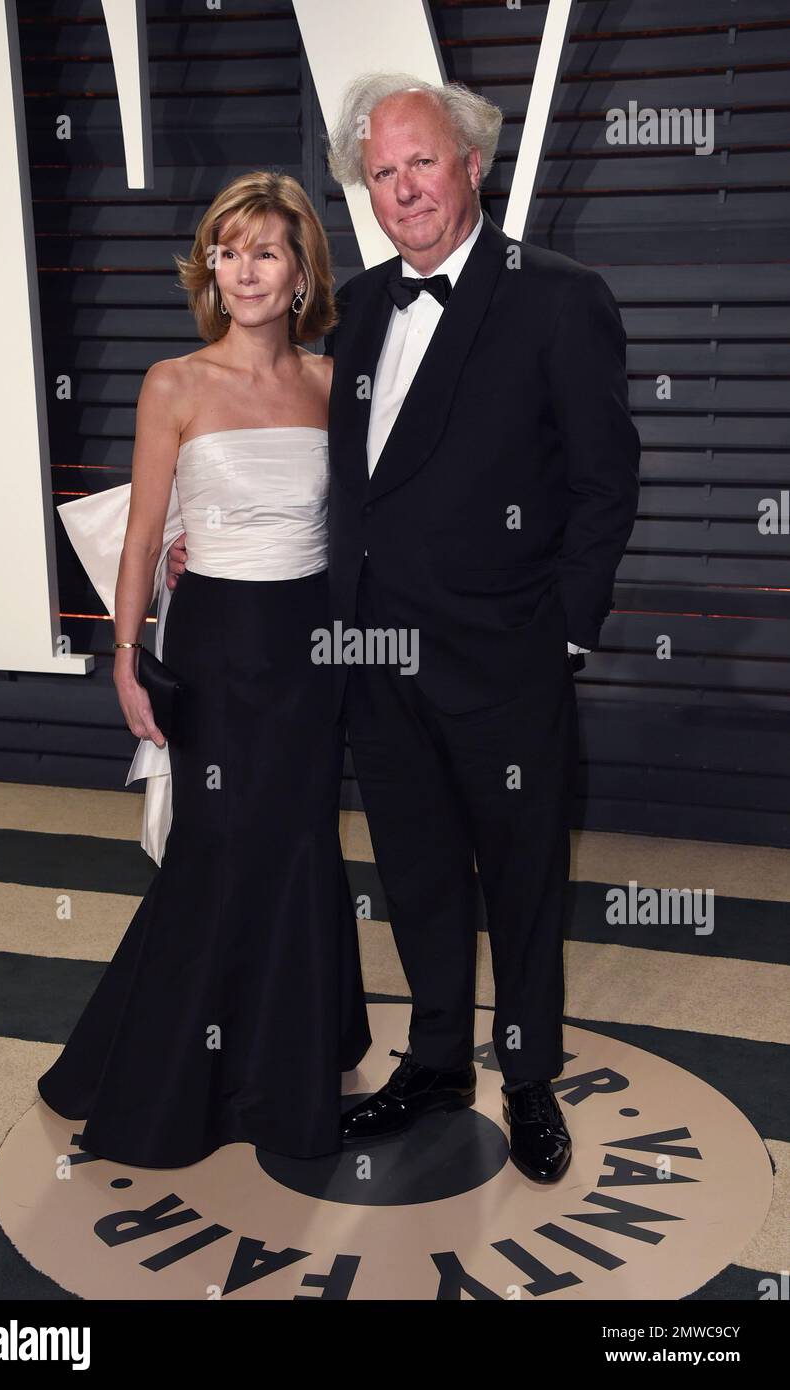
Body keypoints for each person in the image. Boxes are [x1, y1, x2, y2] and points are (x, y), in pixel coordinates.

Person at [167, 75, 641, 1184]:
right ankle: (434, 1063)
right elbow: (342, 480)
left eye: (419, 162)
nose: (401, 188)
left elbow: (603, 480)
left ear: (471, 165)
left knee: (520, 877)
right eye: (379, 173)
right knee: (418, 871)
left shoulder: (557, 296)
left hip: (503, 657)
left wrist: (560, 631)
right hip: (372, 660)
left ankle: (526, 1079)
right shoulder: (364, 309)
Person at [37, 171, 371, 1168]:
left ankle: (287, 1067)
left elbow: (361, 519)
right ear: (208, 266)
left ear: (301, 267)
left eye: (265, 250)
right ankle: (160, 1079)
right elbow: (143, 535)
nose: (243, 269)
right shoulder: (173, 382)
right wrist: (127, 657)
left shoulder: (328, 380)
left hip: (312, 647)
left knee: (301, 847)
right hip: (218, 647)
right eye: (227, 250)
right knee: (216, 850)